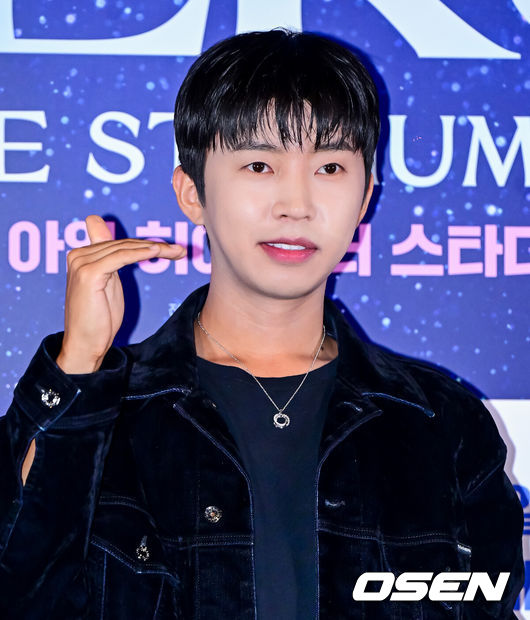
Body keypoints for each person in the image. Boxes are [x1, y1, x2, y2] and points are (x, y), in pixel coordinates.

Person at [0, 28, 524, 620]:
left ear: (365, 198)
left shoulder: (441, 424)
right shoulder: (106, 413)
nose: (296, 205)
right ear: (192, 192)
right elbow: (21, 592)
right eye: (259, 164)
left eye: (330, 167)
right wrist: (78, 368)